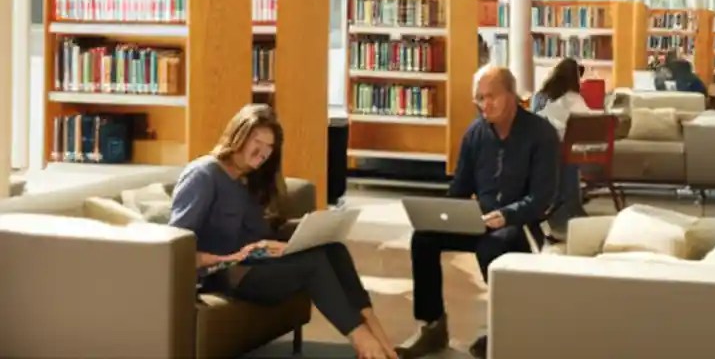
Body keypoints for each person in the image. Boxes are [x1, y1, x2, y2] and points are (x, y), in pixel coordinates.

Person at [169, 105, 396, 359]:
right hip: (229, 273)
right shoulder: (204, 175)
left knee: (333, 249)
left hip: (258, 261)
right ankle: (364, 344)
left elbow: (258, 232)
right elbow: (176, 247)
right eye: (257, 143)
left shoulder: (250, 178)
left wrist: (303, 232)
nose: (263, 153)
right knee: (314, 264)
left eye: (269, 148)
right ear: (238, 136)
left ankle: (379, 337)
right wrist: (230, 258)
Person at [400, 66, 561, 359]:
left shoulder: (541, 134)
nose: (485, 105)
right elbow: (460, 189)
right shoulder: (475, 134)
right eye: (479, 98)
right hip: (480, 220)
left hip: (523, 224)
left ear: (512, 95)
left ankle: (504, 328)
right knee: (423, 238)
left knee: (493, 245)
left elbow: (542, 198)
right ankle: (433, 326)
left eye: (491, 97)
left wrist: (506, 215)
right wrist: (444, 215)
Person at [529, 58, 592, 232]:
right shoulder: (574, 99)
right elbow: (587, 122)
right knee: (567, 155)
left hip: (539, 145)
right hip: (554, 148)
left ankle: (558, 205)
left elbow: (533, 119)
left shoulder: (541, 96)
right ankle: (567, 205)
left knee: (563, 154)